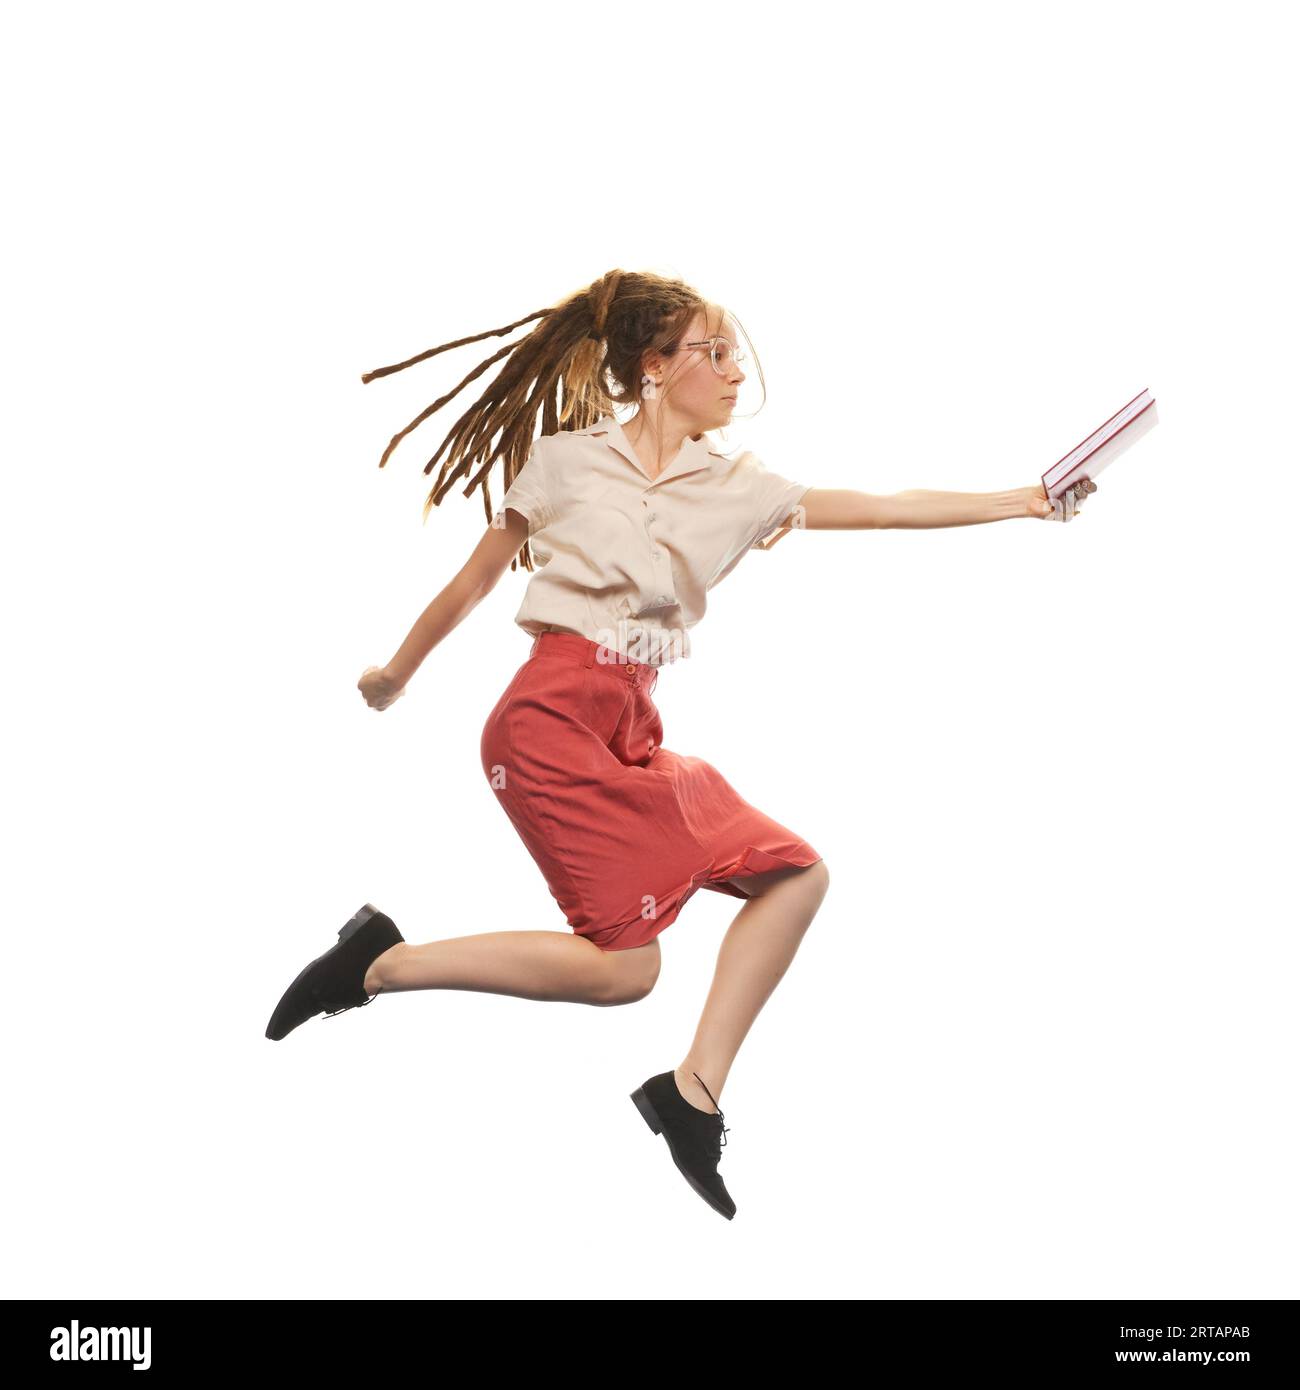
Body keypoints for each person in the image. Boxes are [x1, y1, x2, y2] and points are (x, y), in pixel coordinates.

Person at [264, 268, 1096, 1220]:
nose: (735, 372)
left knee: (793, 875)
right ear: (655, 370)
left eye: (734, 353)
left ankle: (692, 1091)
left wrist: (1027, 498)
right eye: (715, 352)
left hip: (631, 724)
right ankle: (380, 966)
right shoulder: (567, 462)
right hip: (546, 723)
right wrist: (395, 673)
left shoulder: (735, 487)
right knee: (626, 971)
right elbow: (474, 582)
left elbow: (882, 504)